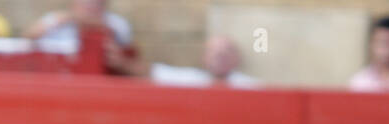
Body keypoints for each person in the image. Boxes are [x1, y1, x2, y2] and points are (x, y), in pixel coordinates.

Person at [113, 36, 261, 88]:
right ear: (204, 57)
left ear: (237, 59)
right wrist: (120, 62)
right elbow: (152, 72)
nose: (220, 57)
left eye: (226, 52)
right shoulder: (191, 79)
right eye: (214, 52)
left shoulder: (250, 86)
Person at [27, 0, 130, 54]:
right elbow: (29, 36)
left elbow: (121, 36)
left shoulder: (116, 22)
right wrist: (62, 19)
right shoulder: (57, 18)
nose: (89, 4)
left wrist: (81, 19)